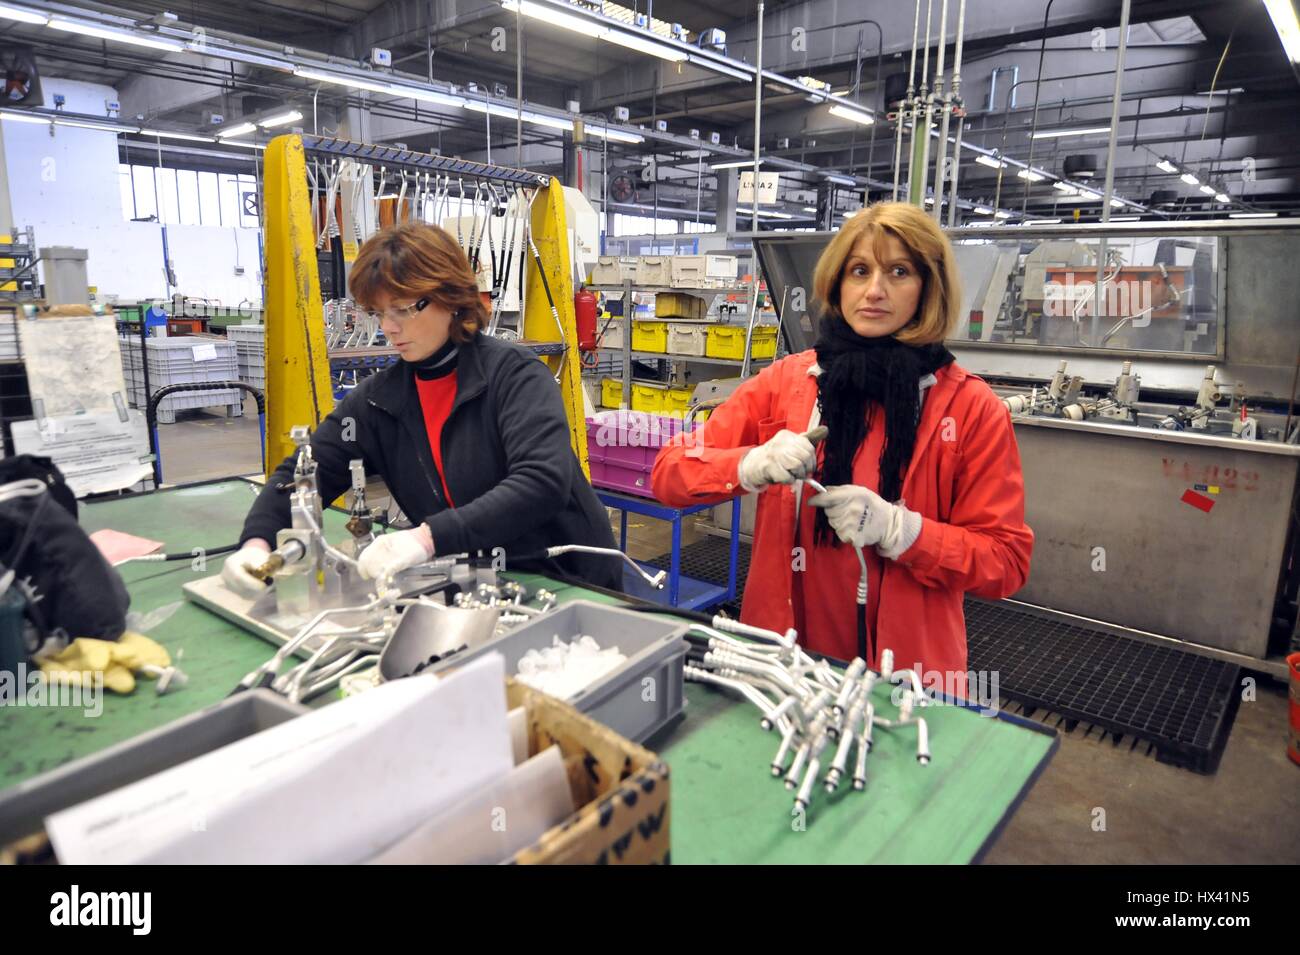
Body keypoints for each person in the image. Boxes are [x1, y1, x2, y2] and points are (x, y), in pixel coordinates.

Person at [652, 202, 1033, 686]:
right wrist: (749, 463)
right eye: (860, 270)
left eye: (899, 271)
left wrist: (904, 531)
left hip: (907, 679)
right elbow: (669, 474)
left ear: (928, 287)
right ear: (838, 283)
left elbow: (1005, 560)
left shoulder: (970, 407)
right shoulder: (790, 382)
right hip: (782, 659)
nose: (875, 290)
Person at [222, 222, 621, 596]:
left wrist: (426, 538)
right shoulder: (379, 400)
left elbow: (540, 483)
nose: (388, 327)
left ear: (451, 298)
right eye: (379, 313)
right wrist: (256, 542)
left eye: (402, 309)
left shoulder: (514, 377)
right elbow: (303, 474)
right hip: (480, 585)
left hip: (570, 582)